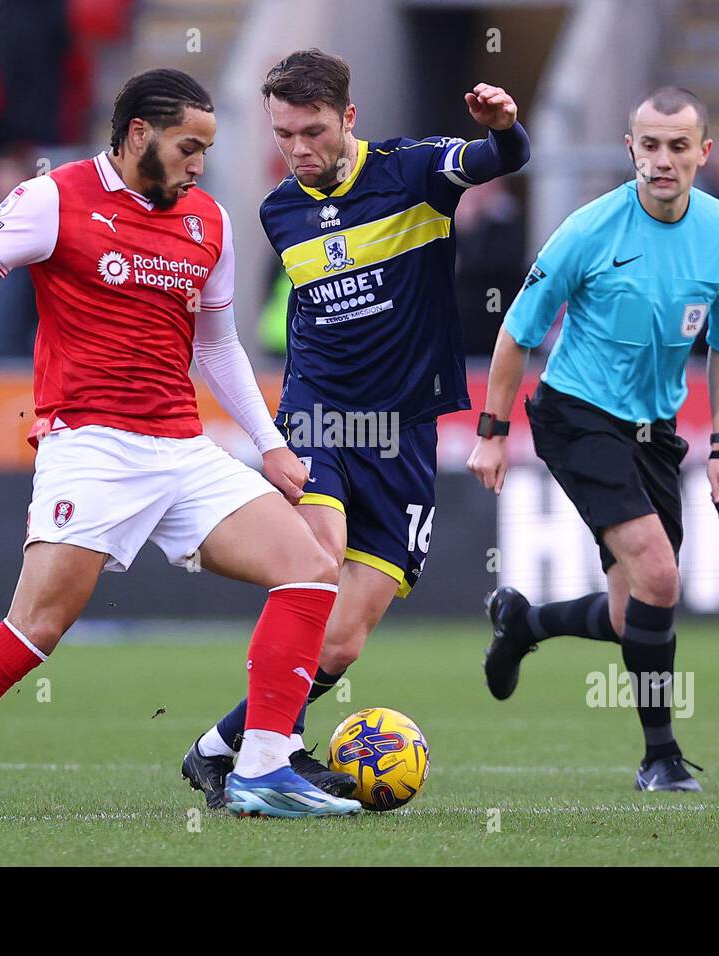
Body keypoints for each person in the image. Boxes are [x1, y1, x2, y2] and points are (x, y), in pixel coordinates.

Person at [0, 69, 361, 821]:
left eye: (207, 149)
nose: (199, 164)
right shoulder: (52, 198)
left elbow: (218, 345)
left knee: (311, 570)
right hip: (91, 446)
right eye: (188, 147)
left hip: (182, 447)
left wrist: (268, 444)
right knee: (37, 629)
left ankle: (262, 763)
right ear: (137, 135)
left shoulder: (210, 222)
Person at [181, 48, 529, 807]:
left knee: (342, 638)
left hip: (404, 430)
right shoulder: (279, 211)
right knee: (319, 557)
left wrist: (504, 128)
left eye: (311, 131)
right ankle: (273, 762)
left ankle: (219, 748)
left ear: (348, 117)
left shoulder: (416, 173)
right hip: (320, 413)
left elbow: (504, 157)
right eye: (283, 135)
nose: (298, 150)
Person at [468, 87, 719, 793]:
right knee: (660, 575)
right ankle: (660, 756)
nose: (663, 161)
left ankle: (524, 623)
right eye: (649, 146)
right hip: (576, 415)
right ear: (630, 149)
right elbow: (518, 332)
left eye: (678, 147)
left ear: (703, 154)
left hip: (655, 432)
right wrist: (493, 432)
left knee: (637, 613)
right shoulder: (588, 230)